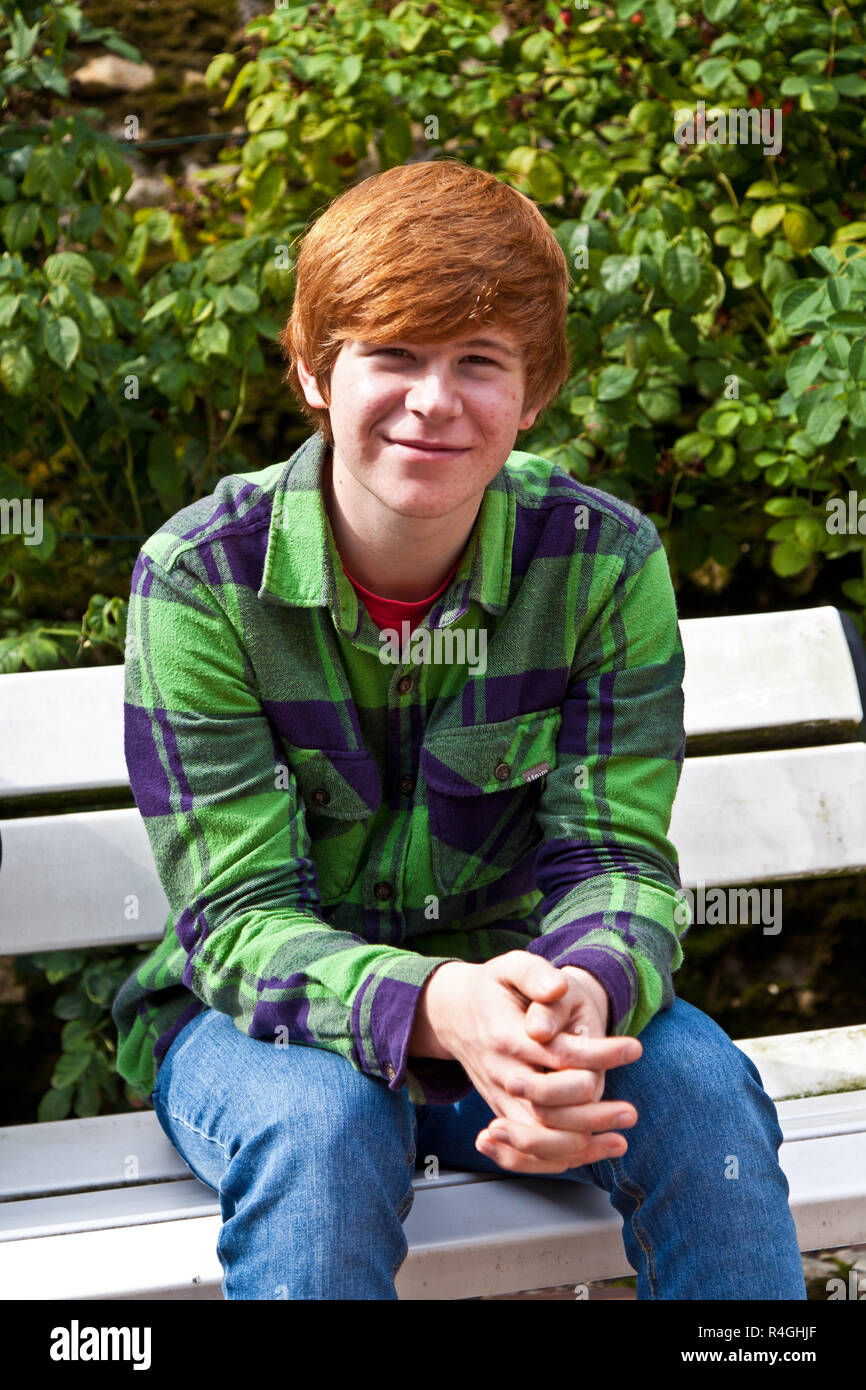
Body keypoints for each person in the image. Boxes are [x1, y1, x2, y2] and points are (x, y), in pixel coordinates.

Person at [112, 158, 806, 1300]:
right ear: (314, 369)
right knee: (324, 1126)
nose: (434, 400)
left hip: (524, 1001)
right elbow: (237, 921)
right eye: (392, 354)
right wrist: (439, 1005)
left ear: (533, 391)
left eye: (479, 361)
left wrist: (577, 1001)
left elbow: (612, 859)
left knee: (698, 1089)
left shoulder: (598, 559)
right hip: (261, 1032)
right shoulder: (202, 578)